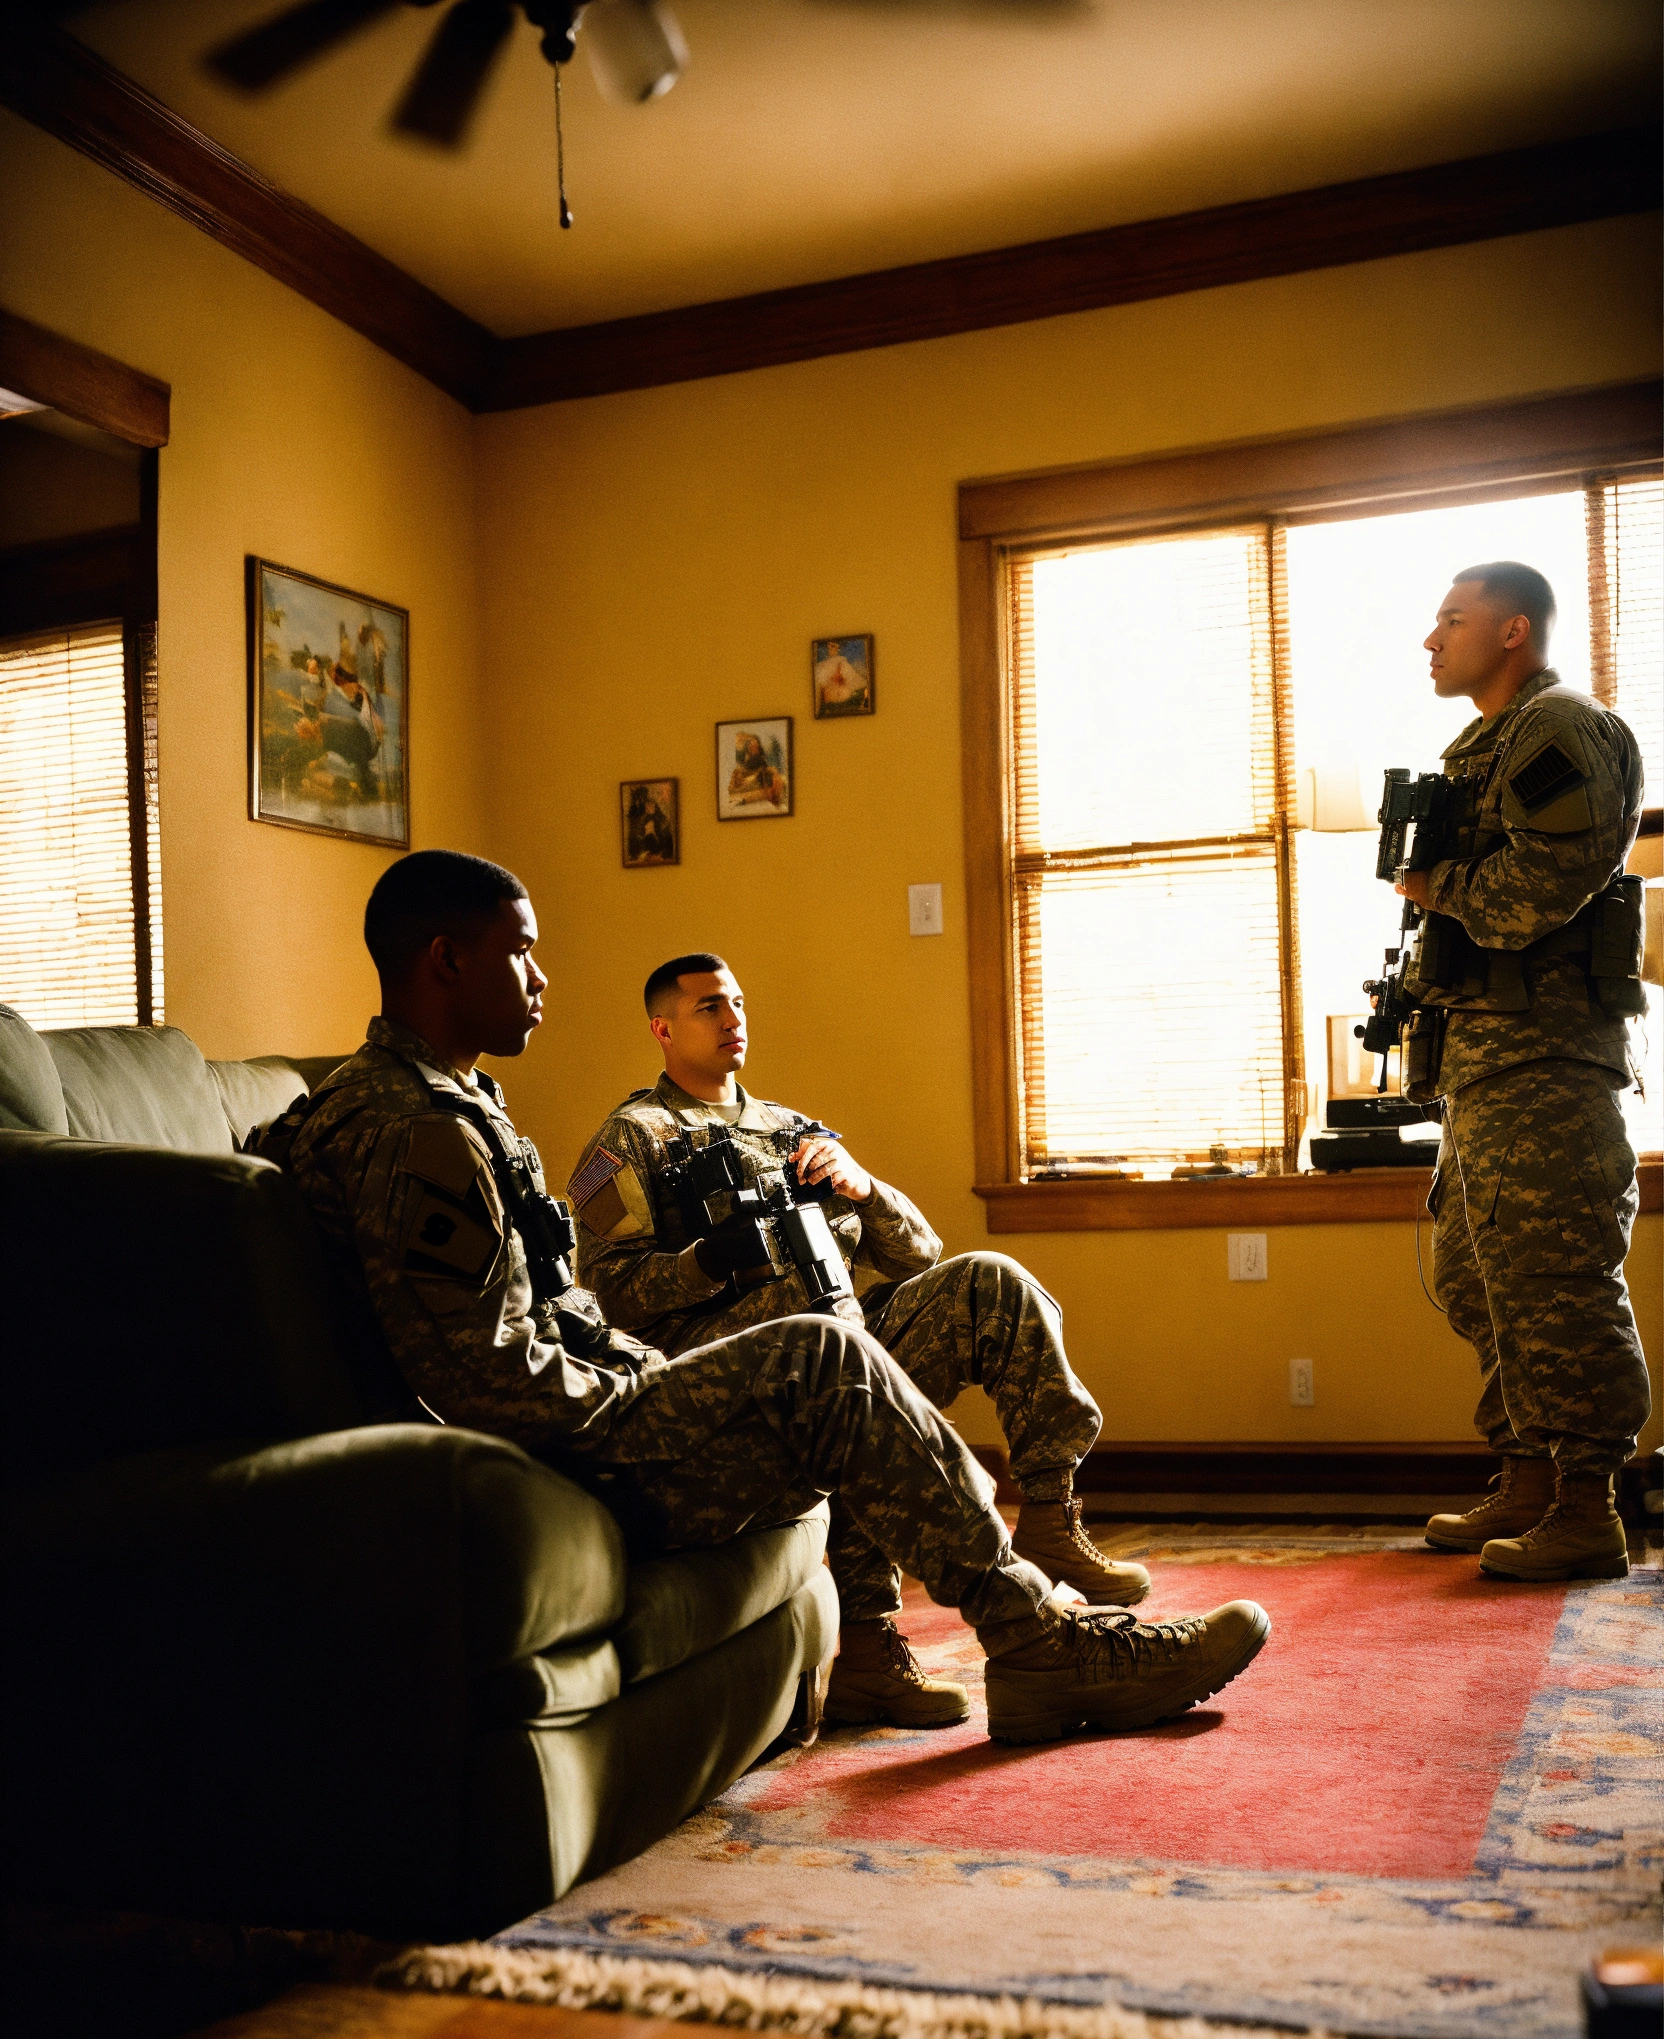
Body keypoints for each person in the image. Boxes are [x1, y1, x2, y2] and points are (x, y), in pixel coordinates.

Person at [272, 850, 1271, 1747]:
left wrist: (860, 1187)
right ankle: (1038, 1642)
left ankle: (1038, 1600)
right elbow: (485, 1364)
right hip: (581, 1445)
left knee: (879, 1328)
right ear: (446, 960)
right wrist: (646, 1383)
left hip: (613, 1404)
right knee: (818, 1358)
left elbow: (907, 1254)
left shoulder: (447, 1107)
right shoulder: (426, 1128)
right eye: (521, 953)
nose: (541, 979)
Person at [567, 952, 1156, 1727]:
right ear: (663, 1029)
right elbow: (612, 1297)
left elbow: (920, 1255)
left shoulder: (792, 1130)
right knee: (834, 1355)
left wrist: (865, 1186)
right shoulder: (631, 1140)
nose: (733, 1018)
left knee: (991, 1281)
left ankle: (1049, 1510)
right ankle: (871, 1651)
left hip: (844, 1330)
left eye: (738, 1002)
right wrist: (707, 1262)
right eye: (710, 1006)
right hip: (739, 1369)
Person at [1400, 563, 1648, 1581]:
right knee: (1476, 1274)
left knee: (1554, 1283)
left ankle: (1586, 1504)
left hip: (1546, 1059)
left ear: (1511, 632)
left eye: (1449, 621)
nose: (1429, 639)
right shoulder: (1483, 748)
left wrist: (1434, 885)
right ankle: (1528, 1476)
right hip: (1488, 1060)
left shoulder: (1559, 732)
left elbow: (1531, 893)